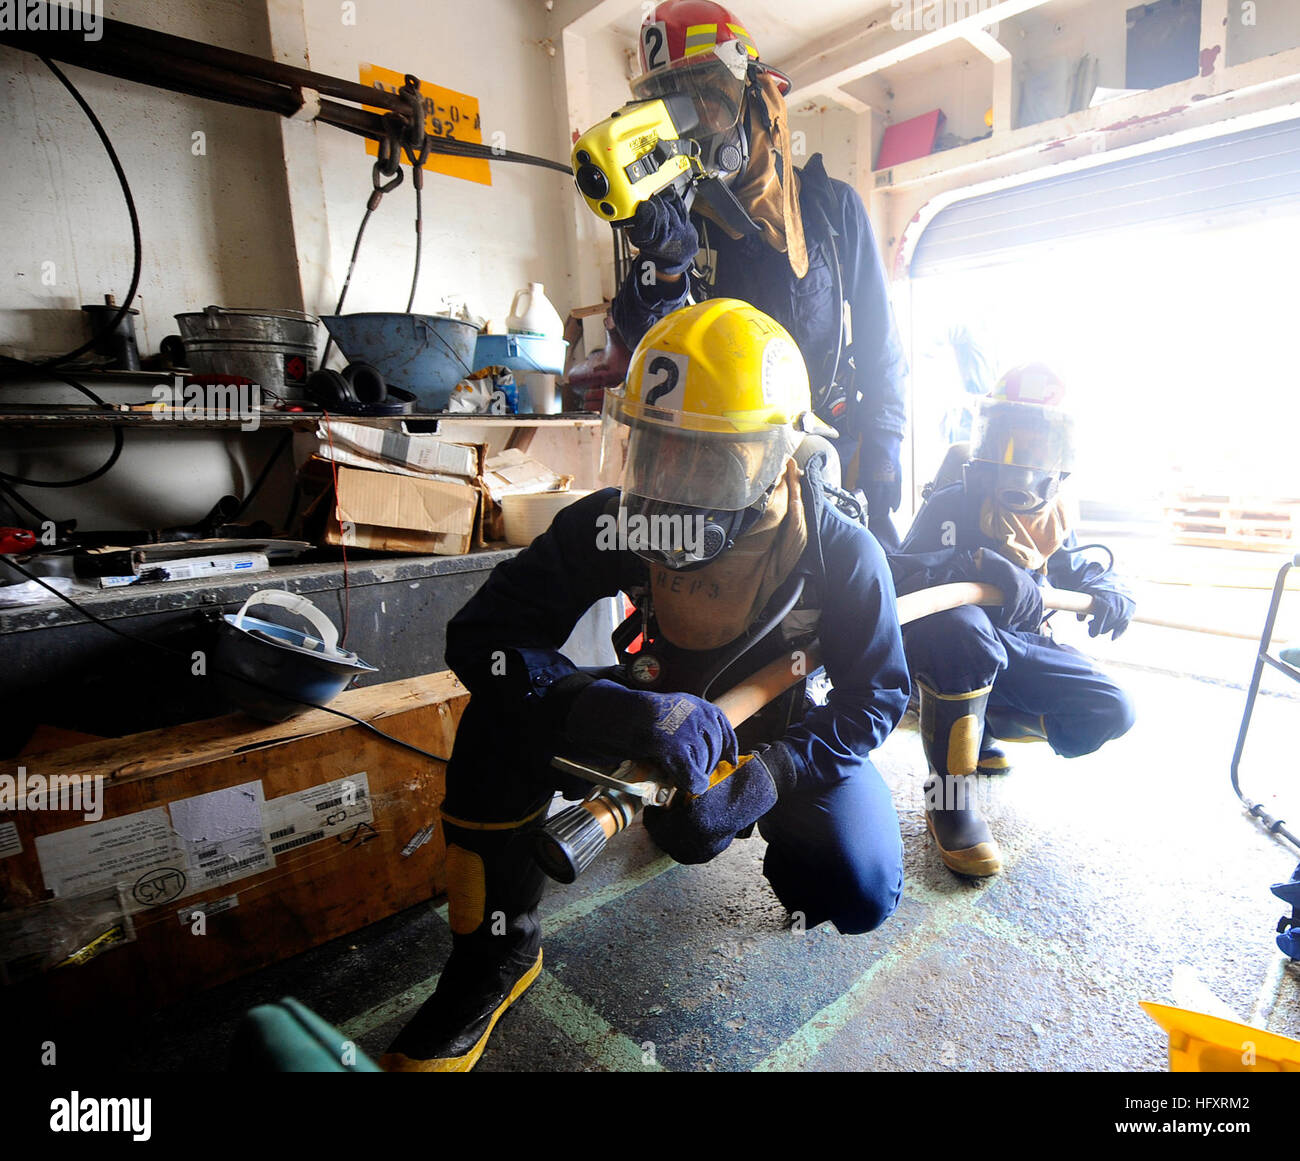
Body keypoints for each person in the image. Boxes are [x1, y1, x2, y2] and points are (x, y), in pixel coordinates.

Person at [381, 300, 910, 1072]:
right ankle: (494, 955)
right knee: (498, 717)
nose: (669, 486)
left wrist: (768, 778)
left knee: (857, 884)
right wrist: (596, 704)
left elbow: (876, 700)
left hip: (775, 729)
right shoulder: (622, 523)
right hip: (647, 712)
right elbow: (483, 639)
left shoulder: (841, 554)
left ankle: (787, 854)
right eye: (655, 449)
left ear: (777, 458)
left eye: (705, 459)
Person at [609, 0, 909, 550]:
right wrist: (666, 264)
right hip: (717, 481)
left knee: (866, 593)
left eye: (709, 98)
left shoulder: (831, 213)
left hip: (824, 463)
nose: (697, 126)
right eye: (678, 108)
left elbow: (882, 347)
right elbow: (645, 344)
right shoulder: (680, 222)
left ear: (758, 98)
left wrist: (884, 461)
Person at [887, 364, 1136, 877]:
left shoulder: (1056, 511)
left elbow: (1072, 562)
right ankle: (949, 798)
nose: (1019, 455)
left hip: (1018, 645)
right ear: (989, 435)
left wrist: (1108, 584)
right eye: (1009, 436)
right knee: (962, 632)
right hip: (957, 646)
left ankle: (981, 726)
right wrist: (975, 564)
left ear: (1060, 455)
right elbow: (900, 574)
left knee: (1110, 709)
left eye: (1037, 442)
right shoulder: (955, 499)